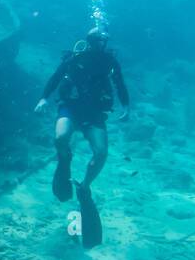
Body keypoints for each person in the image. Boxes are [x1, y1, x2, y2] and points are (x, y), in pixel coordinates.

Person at [35, 28, 129, 205]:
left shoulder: (110, 62)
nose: (99, 45)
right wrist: (43, 99)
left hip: (95, 112)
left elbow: (120, 84)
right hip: (71, 106)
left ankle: (85, 186)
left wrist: (126, 106)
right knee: (60, 138)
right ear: (89, 41)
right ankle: (65, 159)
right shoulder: (74, 58)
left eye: (102, 42)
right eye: (96, 41)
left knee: (101, 153)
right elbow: (55, 78)